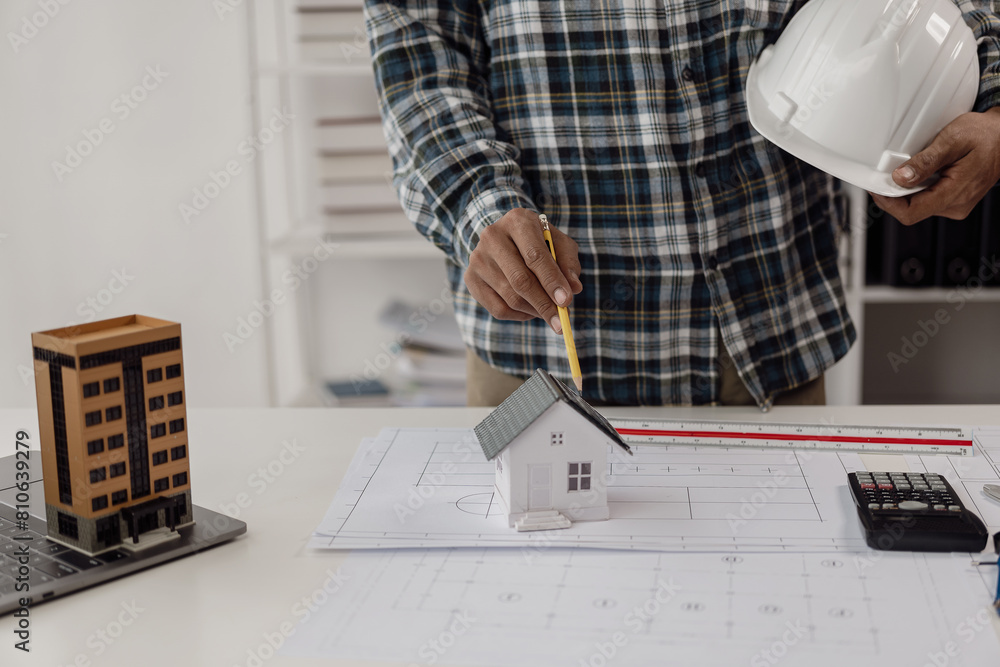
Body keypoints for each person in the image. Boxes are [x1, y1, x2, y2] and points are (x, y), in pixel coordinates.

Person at [364, 0, 1000, 407]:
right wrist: (481, 206)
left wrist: (989, 93)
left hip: (767, 329)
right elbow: (420, 61)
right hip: (545, 359)